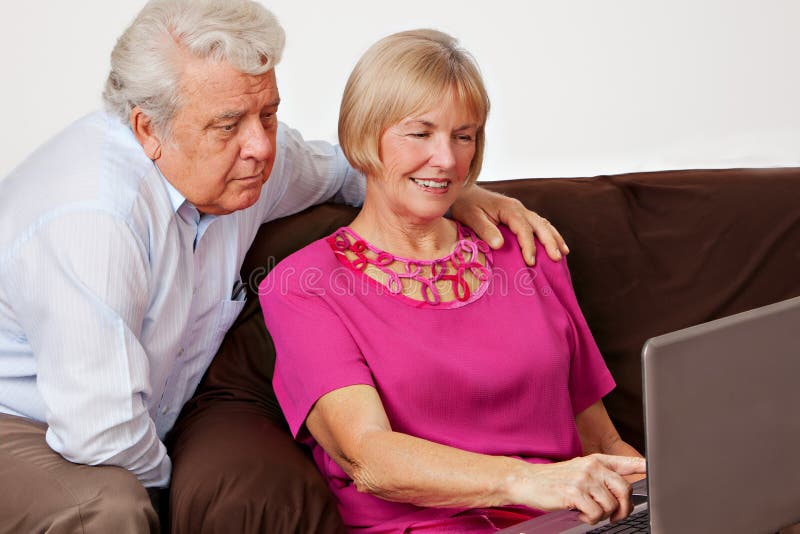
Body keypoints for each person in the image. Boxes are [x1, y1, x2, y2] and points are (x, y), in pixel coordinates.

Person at [0, 1, 568, 532]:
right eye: (229, 125)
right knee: (109, 508)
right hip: (32, 422)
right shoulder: (93, 219)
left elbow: (350, 169)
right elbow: (101, 435)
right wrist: (186, 505)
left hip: (150, 415)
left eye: (268, 114)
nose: (261, 147)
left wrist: (455, 193)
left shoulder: (248, 164)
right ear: (149, 129)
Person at [260, 28, 646, 533]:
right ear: (363, 135)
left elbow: (601, 442)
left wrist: (673, 491)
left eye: (463, 136)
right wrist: (526, 480)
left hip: (566, 522)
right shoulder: (303, 285)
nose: (445, 160)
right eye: (420, 134)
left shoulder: (527, 251)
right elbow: (369, 458)